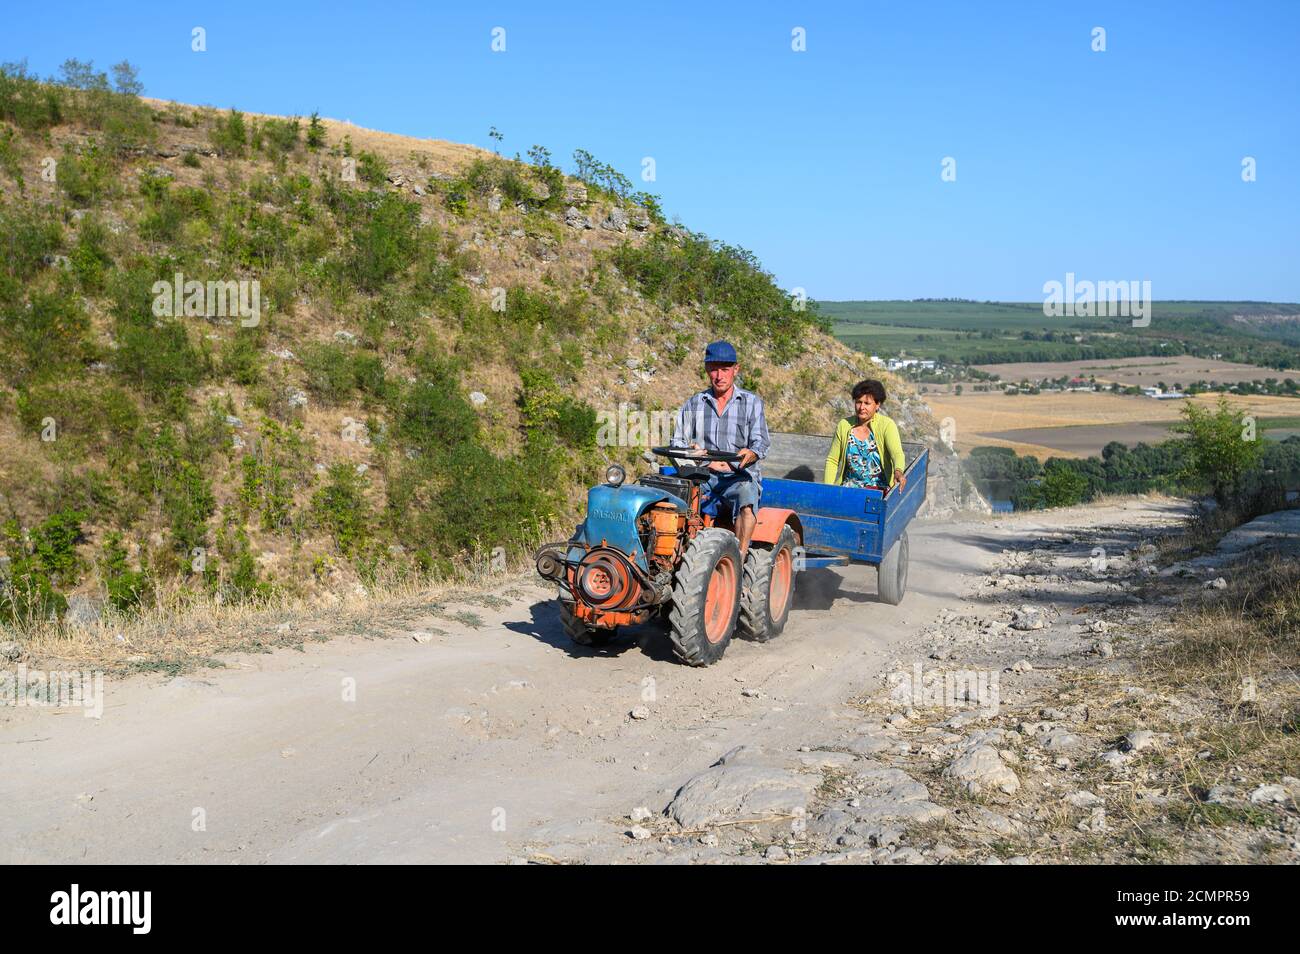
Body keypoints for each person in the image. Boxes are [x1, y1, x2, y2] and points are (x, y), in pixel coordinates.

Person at [670, 340, 770, 559]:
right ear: (707, 370)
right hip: (703, 475)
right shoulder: (695, 403)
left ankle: (739, 559)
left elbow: (761, 443)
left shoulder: (751, 403)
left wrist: (749, 454)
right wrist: (694, 454)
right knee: (672, 497)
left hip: (738, 475)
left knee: (747, 495)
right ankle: (676, 555)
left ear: (736, 369)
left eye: (725, 369)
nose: (719, 376)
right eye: (714, 369)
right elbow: (677, 442)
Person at [823, 379, 907, 492]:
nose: (861, 407)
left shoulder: (887, 425)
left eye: (867, 403)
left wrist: (898, 471)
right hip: (849, 489)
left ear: (877, 405)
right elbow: (833, 460)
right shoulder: (844, 425)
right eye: (858, 402)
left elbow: (897, 454)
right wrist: (827, 490)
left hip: (879, 490)